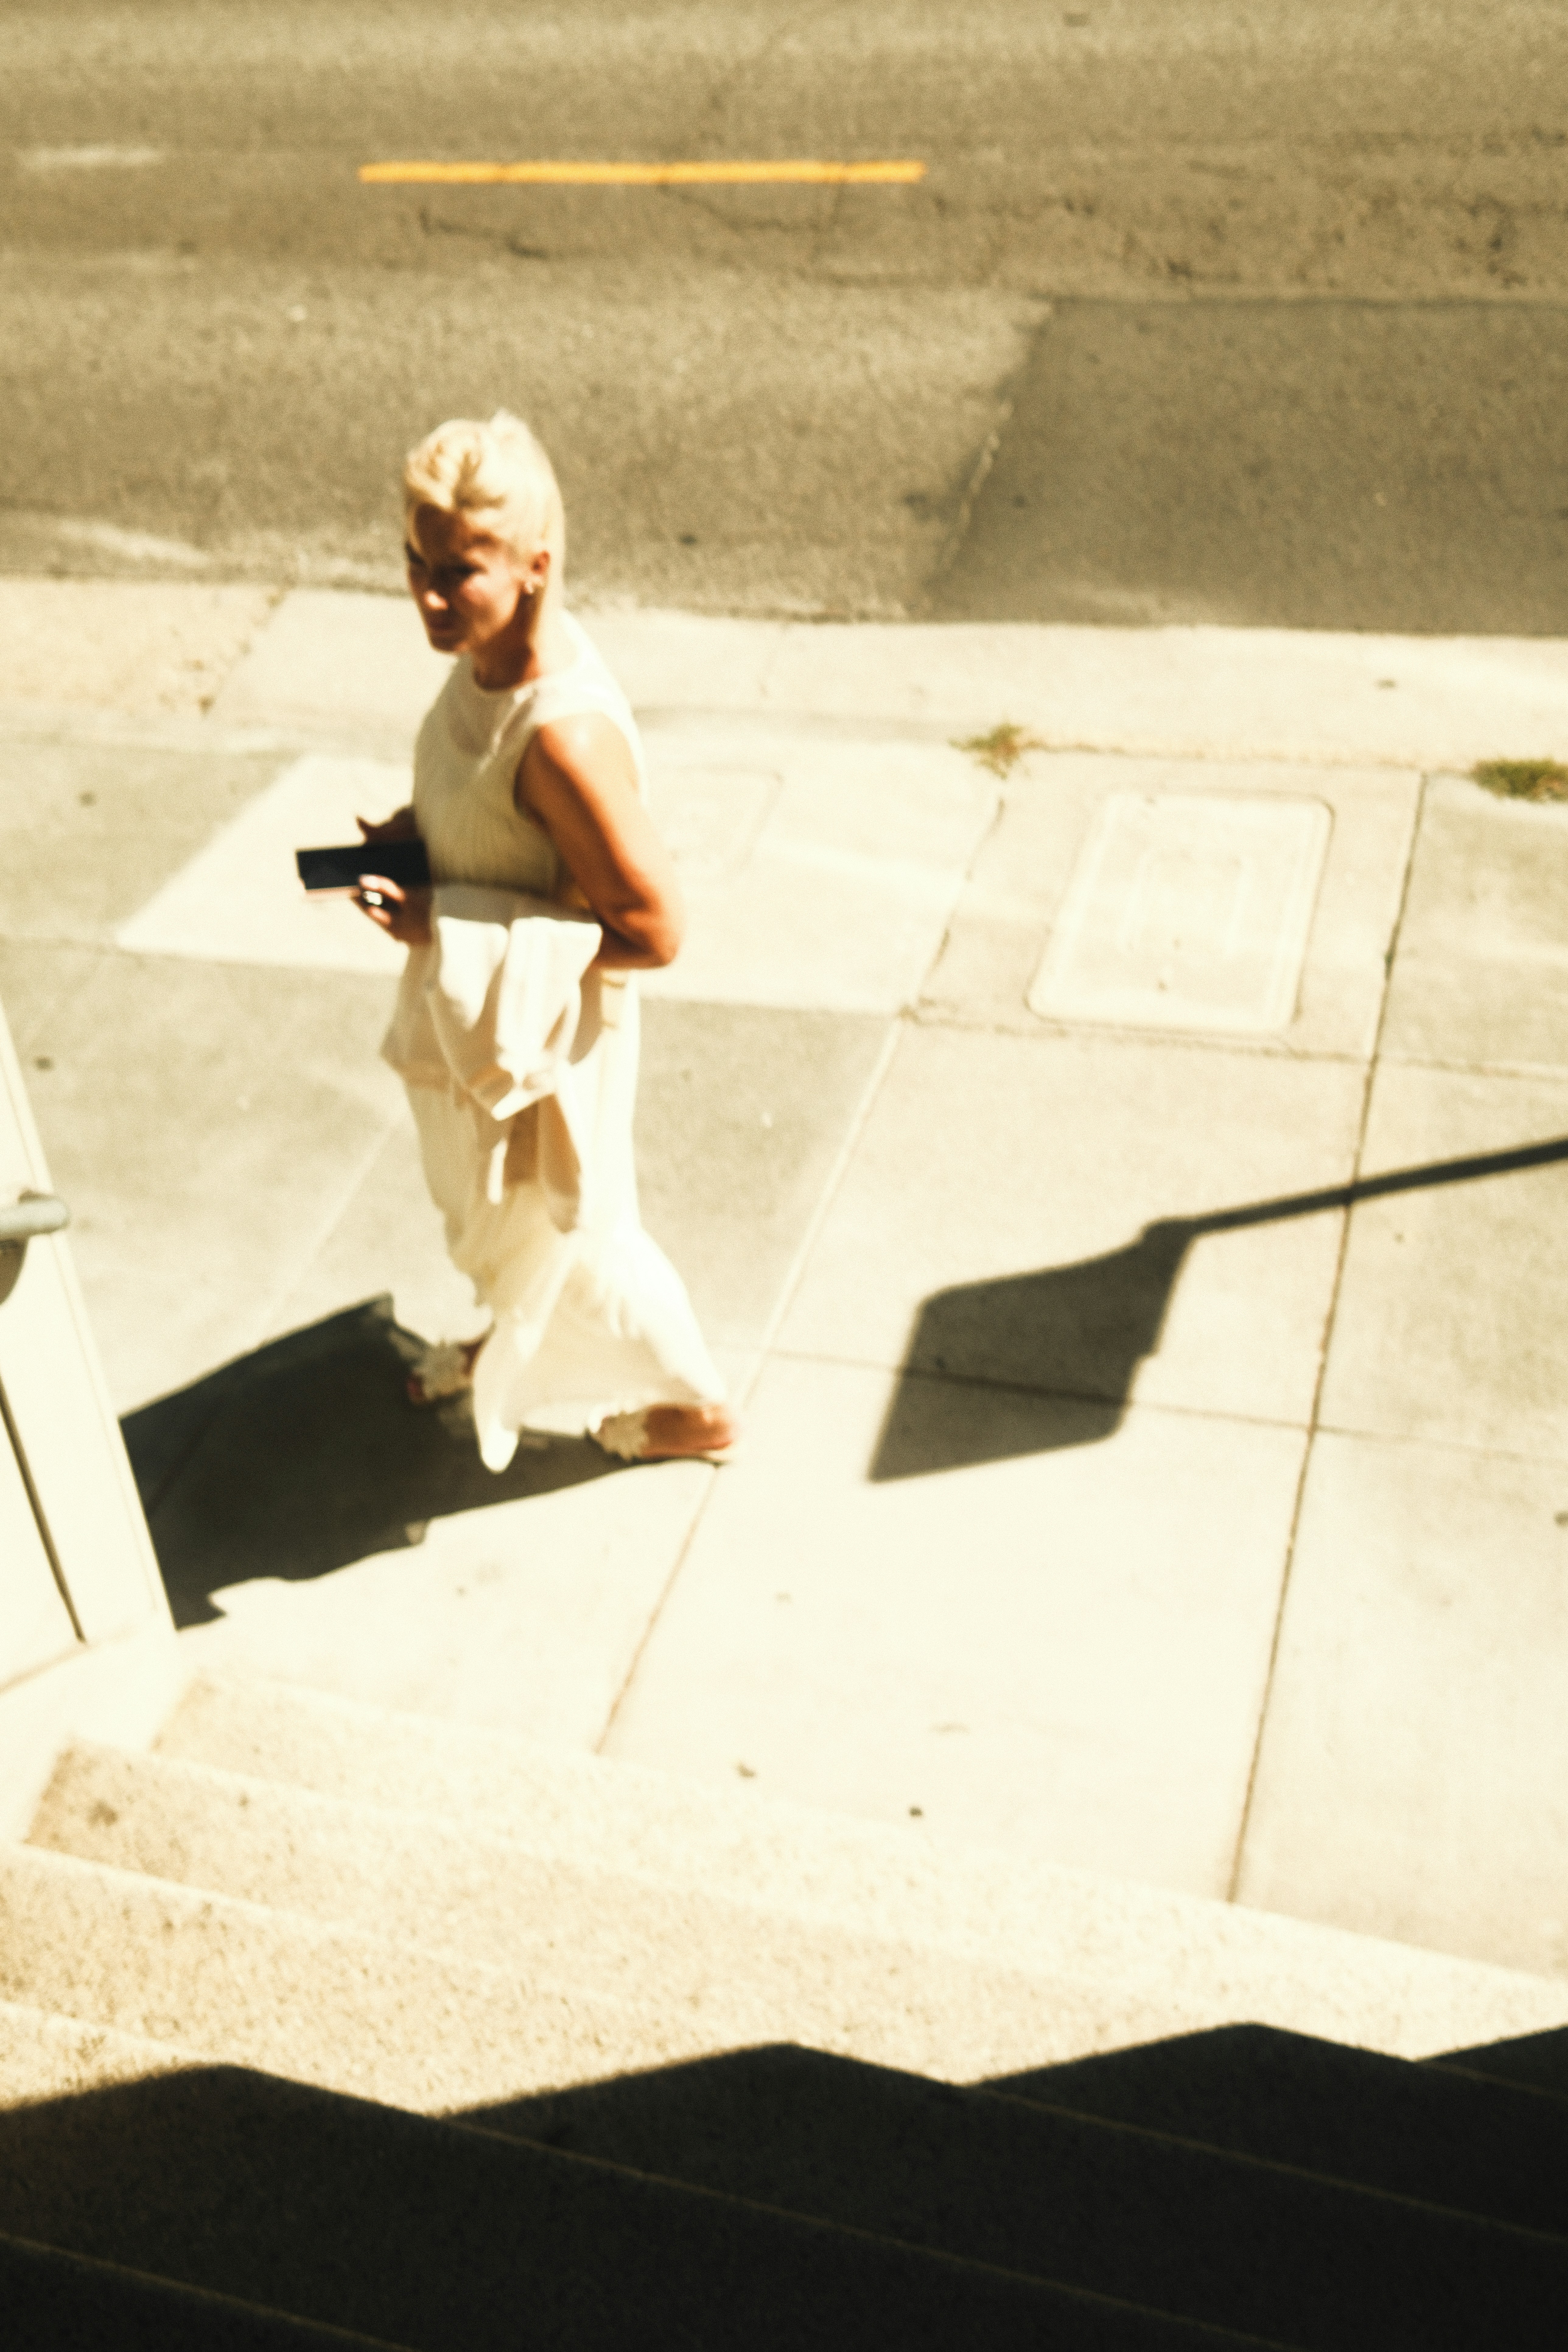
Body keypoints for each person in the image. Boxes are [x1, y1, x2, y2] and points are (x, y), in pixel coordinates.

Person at [354, 410, 737, 1471]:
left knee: (581, 1246)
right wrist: (419, 837)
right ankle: (508, 1341)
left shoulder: (563, 739)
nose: (428, 596)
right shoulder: (484, 658)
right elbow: (493, 817)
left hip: (544, 1057)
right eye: (416, 563)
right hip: (484, 1030)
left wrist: (445, 924)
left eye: (458, 573)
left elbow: (655, 931)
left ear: (535, 565)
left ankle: (703, 1407)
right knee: (509, 1239)